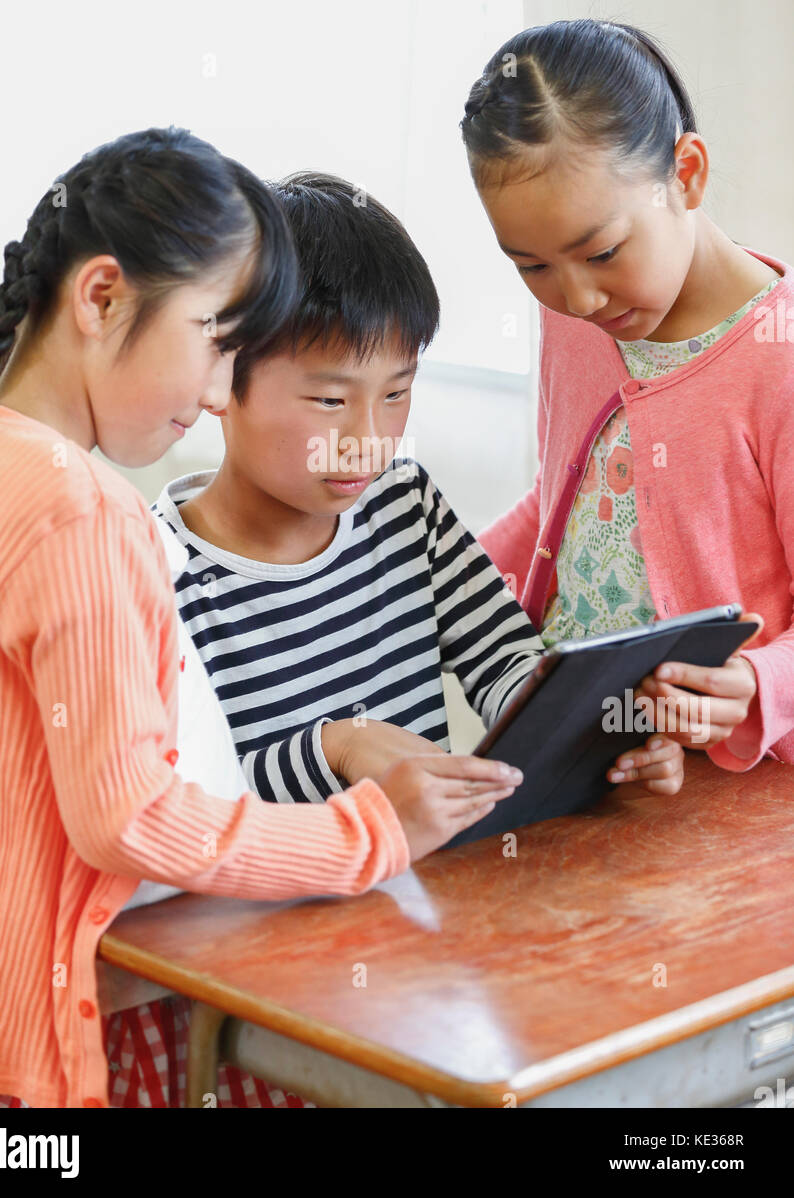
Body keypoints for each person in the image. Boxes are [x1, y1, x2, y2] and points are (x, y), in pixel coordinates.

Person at [0, 128, 521, 1110]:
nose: (212, 392)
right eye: (212, 338)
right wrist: (366, 831)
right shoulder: (81, 512)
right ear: (101, 297)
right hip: (86, 1025)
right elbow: (131, 815)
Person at [148, 169, 685, 1105]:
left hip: (426, 948)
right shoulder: (157, 571)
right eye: (330, 402)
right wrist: (334, 748)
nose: (370, 440)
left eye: (396, 395)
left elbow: (509, 665)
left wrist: (604, 730)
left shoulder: (403, 505)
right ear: (220, 378)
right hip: (267, 984)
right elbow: (190, 810)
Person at [459, 18, 788, 770]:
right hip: (589, 755)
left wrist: (754, 681)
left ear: (688, 174)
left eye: (602, 251)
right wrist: (448, 583)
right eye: (531, 266)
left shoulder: (779, 365)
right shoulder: (580, 320)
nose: (576, 297)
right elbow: (569, 504)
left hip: (734, 788)